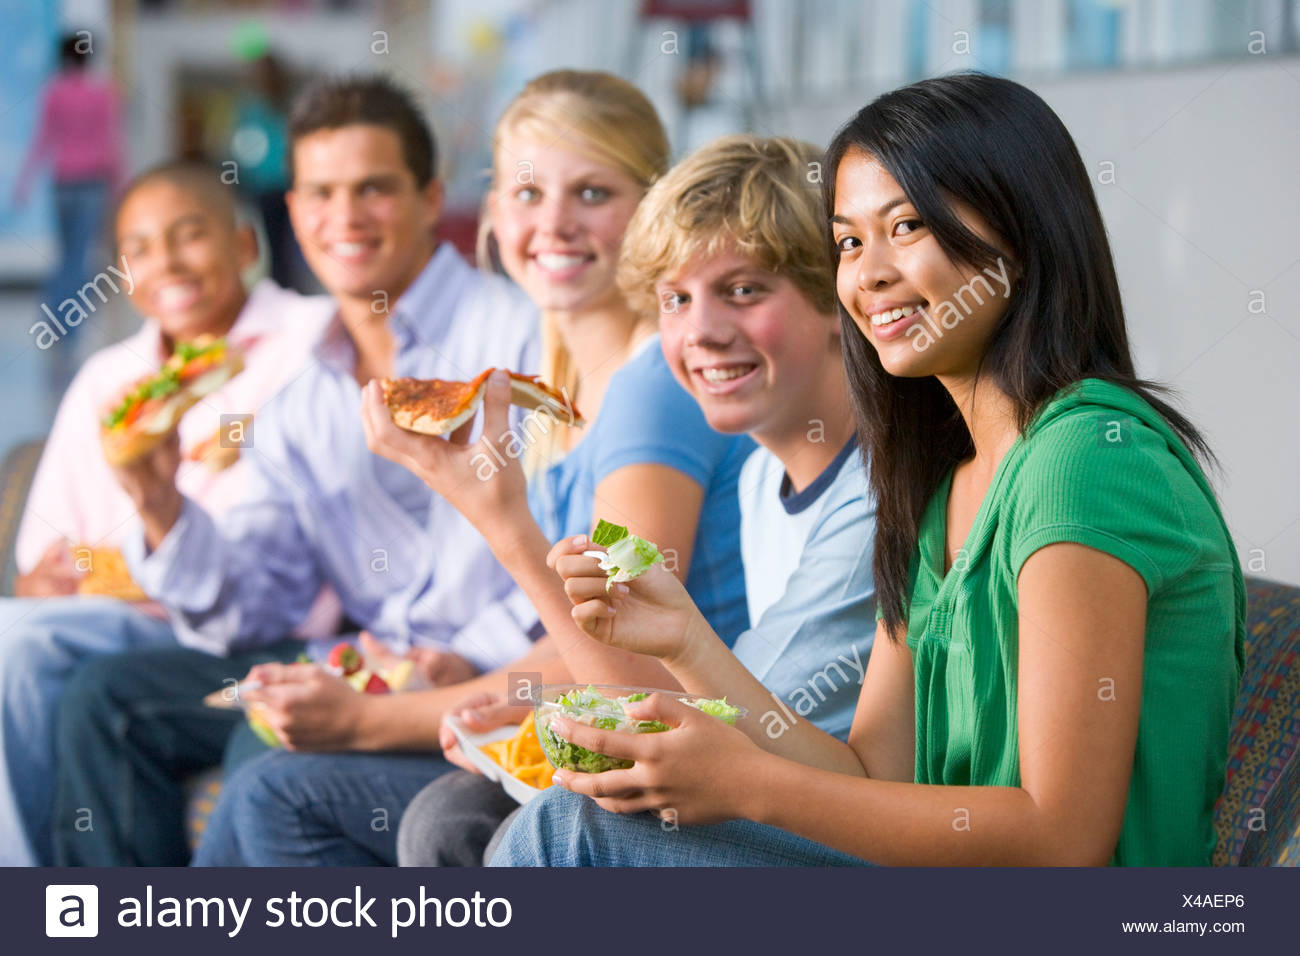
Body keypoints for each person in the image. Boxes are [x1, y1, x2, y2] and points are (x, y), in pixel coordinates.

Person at [495, 73, 1245, 867]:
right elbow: (866, 772)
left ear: (1021, 238)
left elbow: (1061, 840)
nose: (868, 273)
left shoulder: (1085, 462)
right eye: (849, 241)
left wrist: (745, 784)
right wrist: (685, 639)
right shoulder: (942, 481)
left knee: (564, 834)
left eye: (907, 225)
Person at [190, 70, 755, 867]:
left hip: (685, 750)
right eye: (527, 195)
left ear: (652, 211)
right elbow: (567, 649)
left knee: (283, 793)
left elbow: (626, 664)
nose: (554, 224)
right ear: (492, 212)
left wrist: (370, 718)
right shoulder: (561, 383)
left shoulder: (652, 386)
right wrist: (475, 686)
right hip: (596, 722)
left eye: (592, 193)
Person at [51, 75, 539, 866]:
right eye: (319, 193)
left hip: (489, 678)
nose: (342, 218)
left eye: (372, 189)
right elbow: (257, 604)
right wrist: (158, 502)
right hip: (366, 666)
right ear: (292, 210)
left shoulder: (516, 338)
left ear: (429, 198)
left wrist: (471, 652)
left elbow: (579, 541)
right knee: (103, 699)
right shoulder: (301, 396)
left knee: (267, 750)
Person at [397, 134, 879, 867]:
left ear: (835, 301)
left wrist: (506, 523)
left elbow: (766, 741)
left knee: (552, 831)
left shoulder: (875, 496)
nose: (702, 333)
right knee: (449, 819)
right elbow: (740, 708)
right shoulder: (758, 476)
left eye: (743, 290)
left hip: (844, 830)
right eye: (676, 300)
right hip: (793, 796)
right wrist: (547, 714)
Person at [0, 160, 336, 866]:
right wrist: (62, 576)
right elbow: (40, 569)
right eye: (142, 248)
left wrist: (138, 550)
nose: (168, 264)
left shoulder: (315, 342)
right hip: (119, 627)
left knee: (21, 648)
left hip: (262, 629)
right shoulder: (109, 382)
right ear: (122, 271)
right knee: (15, 635)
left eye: (189, 236)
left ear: (243, 247)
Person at [12, 32, 125, 396]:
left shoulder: (54, 91)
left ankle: (54, 324)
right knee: (80, 259)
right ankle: (70, 330)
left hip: (62, 182)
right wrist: (123, 189)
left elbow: (42, 140)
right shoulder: (103, 92)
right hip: (92, 183)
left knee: (64, 257)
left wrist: (24, 184)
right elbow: (112, 143)